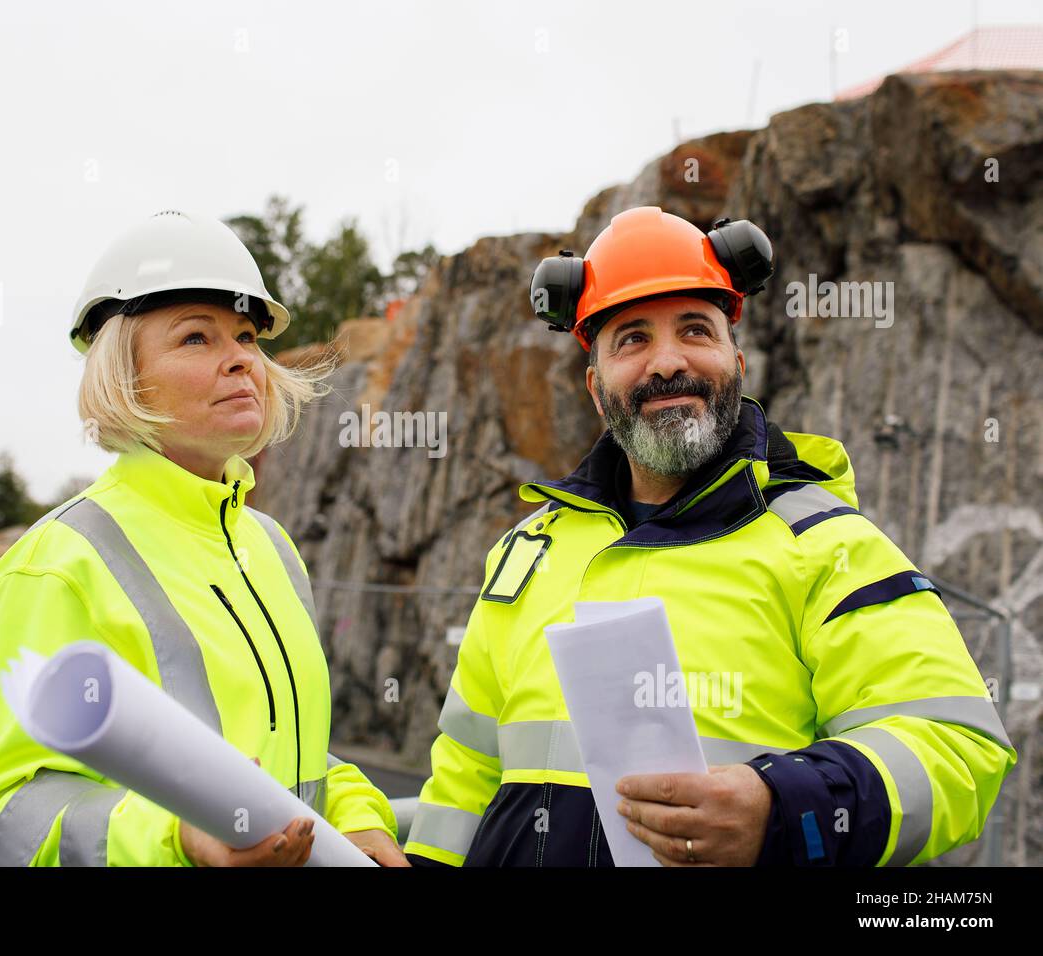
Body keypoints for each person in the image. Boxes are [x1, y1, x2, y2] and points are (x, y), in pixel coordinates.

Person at [404, 205, 1015, 867]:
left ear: (735, 361)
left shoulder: (827, 543)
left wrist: (782, 808)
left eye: (695, 329)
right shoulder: (527, 551)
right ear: (595, 388)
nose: (668, 363)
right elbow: (465, 771)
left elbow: (957, 746)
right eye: (632, 339)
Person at [0, 209, 405, 866]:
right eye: (196, 337)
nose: (241, 359)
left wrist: (357, 819)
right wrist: (176, 840)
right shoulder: (53, 567)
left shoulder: (271, 548)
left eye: (246, 336)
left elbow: (292, 752)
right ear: (123, 375)